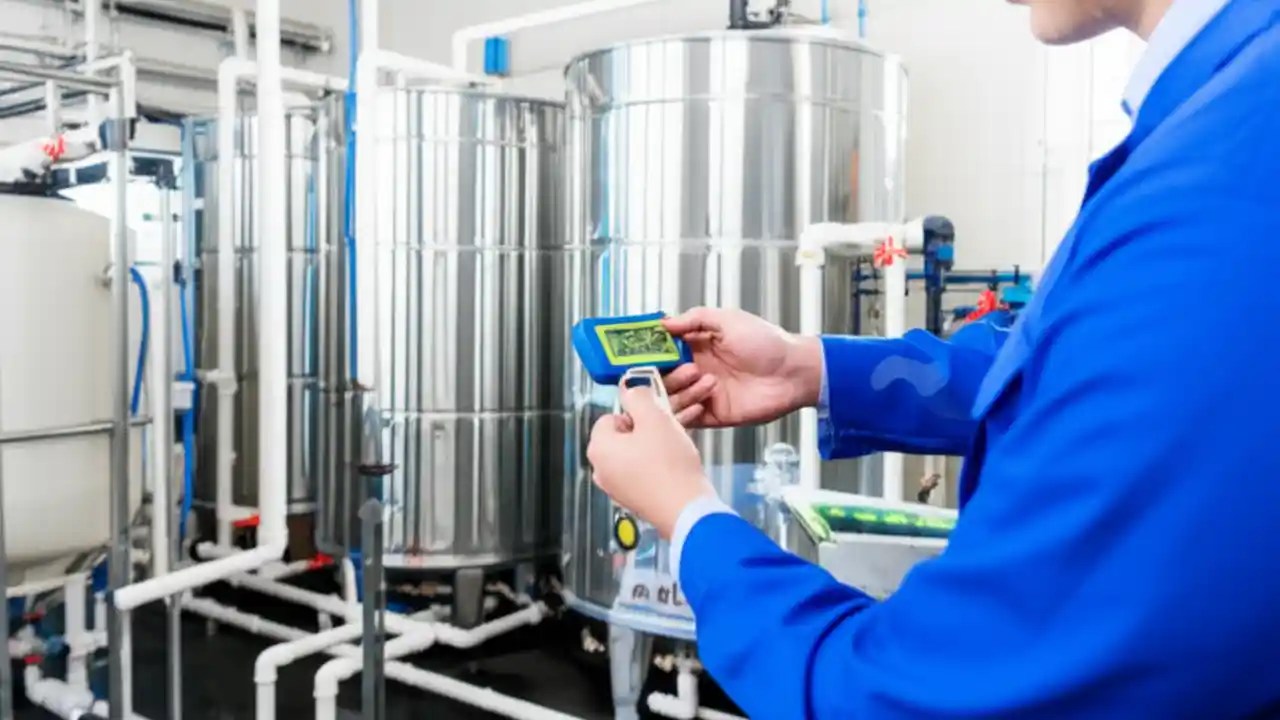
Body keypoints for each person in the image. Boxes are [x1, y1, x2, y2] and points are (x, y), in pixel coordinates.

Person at [586, 0, 1280, 717]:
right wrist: (809, 365)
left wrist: (689, 515)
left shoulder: (1222, 170)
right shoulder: (1220, 108)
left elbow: (908, 695)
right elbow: (1060, 362)